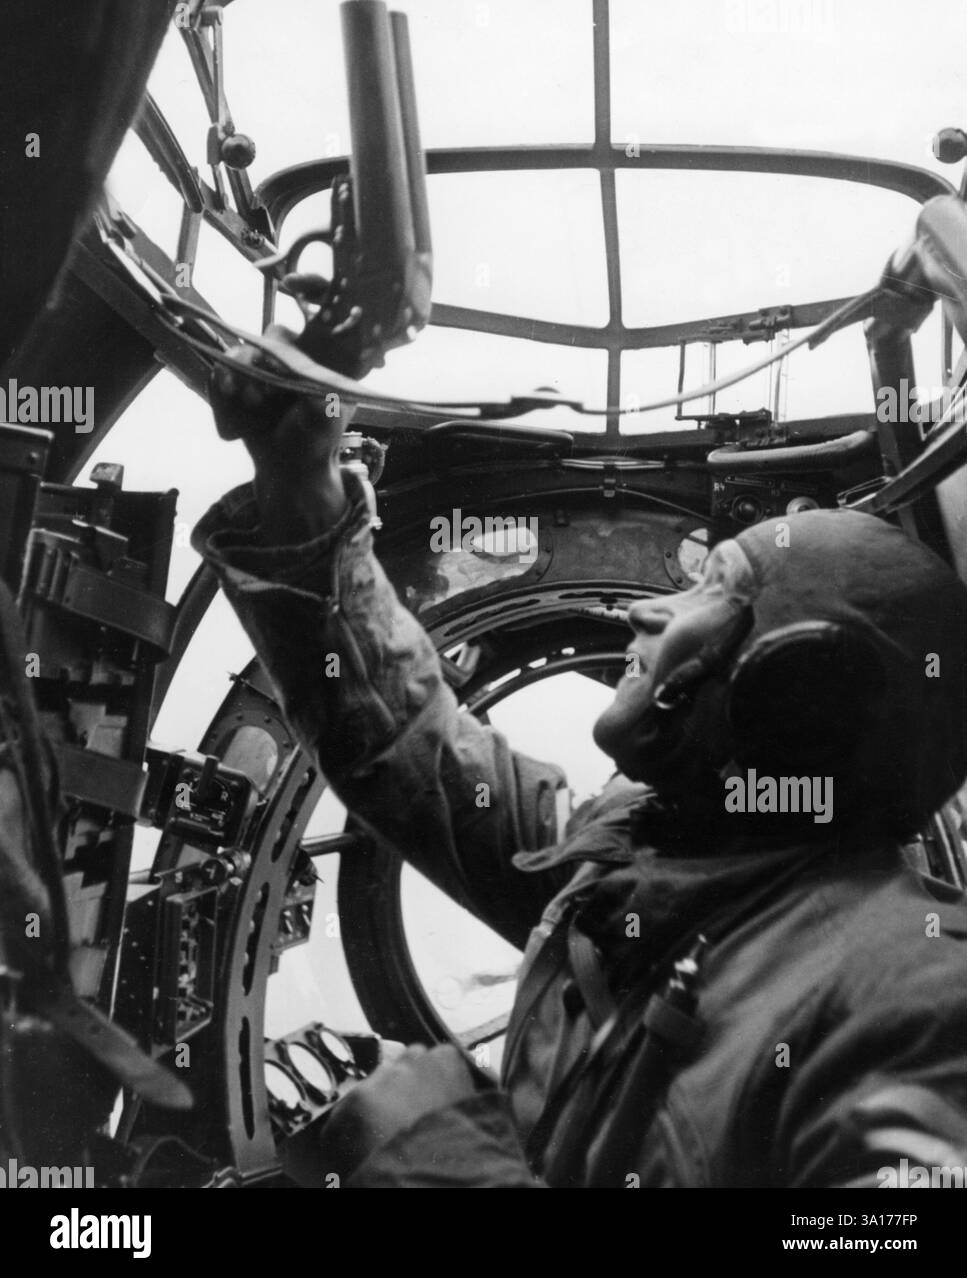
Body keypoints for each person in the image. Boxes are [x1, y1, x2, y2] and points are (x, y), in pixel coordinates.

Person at [194, 359, 967, 1188]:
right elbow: (412, 752)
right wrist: (299, 486)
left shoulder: (919, 1005)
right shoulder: (648, 863)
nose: (644, 608)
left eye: (711, 588)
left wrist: (439, 1157)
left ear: (792, 690)